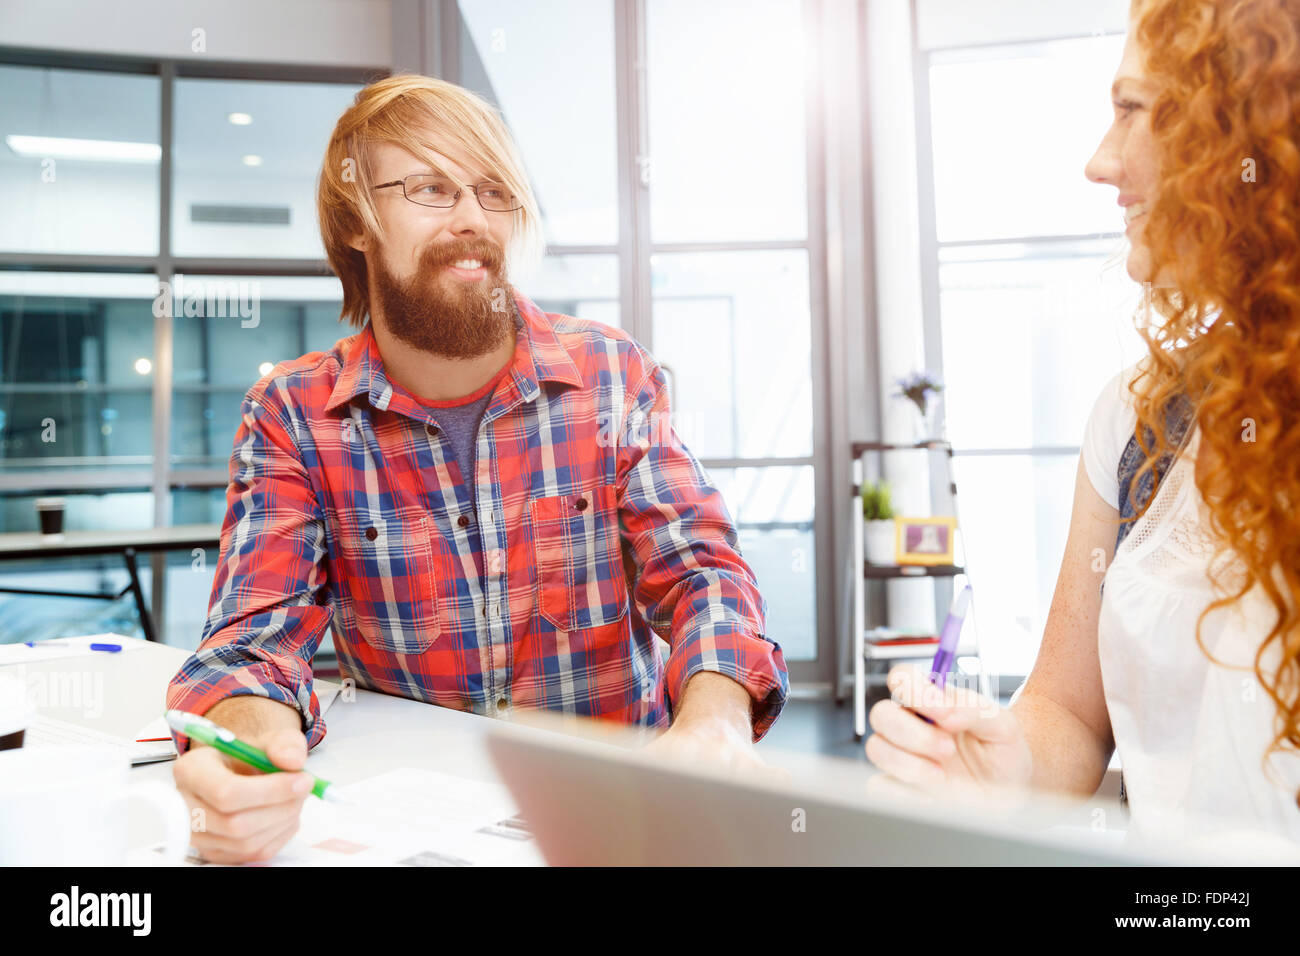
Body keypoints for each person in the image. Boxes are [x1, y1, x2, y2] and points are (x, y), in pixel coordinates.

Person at [165, 74, 788, 864]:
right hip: (413, 836)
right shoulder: (294, 412)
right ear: (358, 221)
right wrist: (248, 750)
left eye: (493, 191)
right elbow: (253, 640)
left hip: (611, 824)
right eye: (430, 187)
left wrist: (714, 723)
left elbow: (704, 574)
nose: (471, 218)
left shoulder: (609, 373)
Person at [867, 0, 1300, 850]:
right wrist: (1005, 769)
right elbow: (1069, 710)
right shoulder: (1139, 420)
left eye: (1133, 109)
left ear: (1251, 130)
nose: (1100, 161)